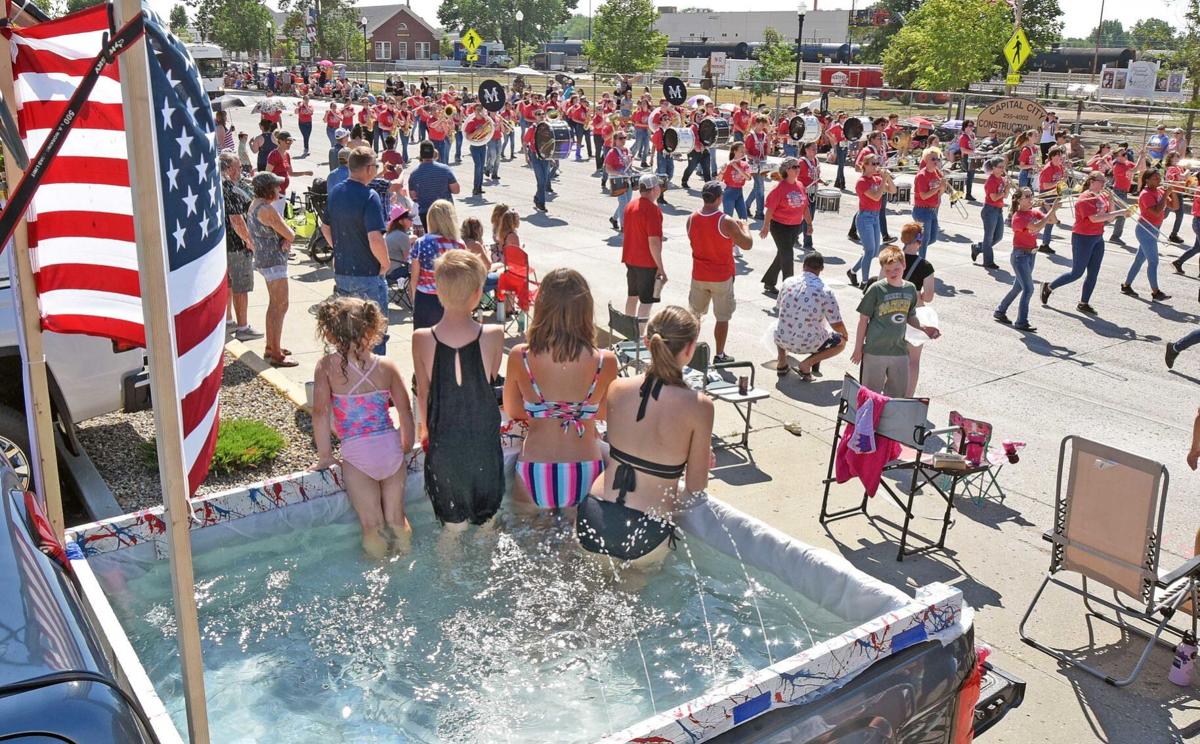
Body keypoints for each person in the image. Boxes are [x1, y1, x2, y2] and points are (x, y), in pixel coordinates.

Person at [576, 306, 714, 565]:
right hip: (646, 526)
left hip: (594, 511)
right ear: (690, 348)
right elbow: (696, 486)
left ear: (647, 342)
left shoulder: (618, 387)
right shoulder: (699, 406)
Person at [503, 269, 618, 511]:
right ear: (586, 310)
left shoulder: (520, 356)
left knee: (527, 545)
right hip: (584, 466)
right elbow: (605, 413)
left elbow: (513, 410)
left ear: (541, 307)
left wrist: (545, 414)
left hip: (535, 465)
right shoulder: (605, 361)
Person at [310, 298, 415, 558]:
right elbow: (404, 409)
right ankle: (405, 560)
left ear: (330, 332)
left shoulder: (326, 367)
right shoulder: (386, 365)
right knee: (396, 518)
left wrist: (325, 456)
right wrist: (405, 444)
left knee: (372, 524)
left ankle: (379, 569)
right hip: (390, 448)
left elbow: (320, 413)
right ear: (372, 329)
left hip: (357, 453)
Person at [411, 250, 506, 529]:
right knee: (487, 525)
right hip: (483, 445)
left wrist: (423, 430)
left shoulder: (421, 339)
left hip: (445, 444)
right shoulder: (493, 335)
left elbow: (423, 393)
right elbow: (490, 377)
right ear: (478, 293)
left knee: (451, 531)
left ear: (438, 292)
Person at [320, 147, 391, 354]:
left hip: (343, 272)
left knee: (348, 333)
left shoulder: (335, 192)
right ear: (369, 169)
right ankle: (373, 381)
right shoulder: (370, 196)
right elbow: (375, 238)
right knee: (374, 333)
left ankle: (351, 375)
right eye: (376, 166)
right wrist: (385, 263)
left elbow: (325, 227)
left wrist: (339, 246)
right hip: (368, 274)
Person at [851, 245, 939, 397]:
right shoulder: (876, 289)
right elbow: (863, 320)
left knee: (896, 397)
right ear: (883, 270)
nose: (892, 273)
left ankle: (888, 421)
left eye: (896, 269)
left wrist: (925, 328)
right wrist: (858, 348)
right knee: (870, 397)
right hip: (875, 351)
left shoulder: (910, 289)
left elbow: (910, 316)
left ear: (904, 265)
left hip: (900, 352)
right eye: (888, 270)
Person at [687, 181, 753, 363]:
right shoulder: (726, 221)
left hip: (699, 274)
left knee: (695, 316)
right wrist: (745, 228)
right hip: (721, 276)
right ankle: (720, 354)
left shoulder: (692, 218)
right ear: (719, 198)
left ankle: (690, 352)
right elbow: (747, 244)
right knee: (722, 318)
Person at [1041, 170, 1121, 316]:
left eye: (1105, 181)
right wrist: (1120, 213)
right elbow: (1094, 218)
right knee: (1076, 273)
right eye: (1101, 181)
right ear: (1092, 181)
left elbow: (1109, 219)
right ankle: (1049, 287)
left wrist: (1111, 201)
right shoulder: (1085, 197)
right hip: (1083, 237)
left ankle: (1084, 303)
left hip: (1097, 237)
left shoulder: (1101, 196)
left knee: (1093, 273)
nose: (1105, 184)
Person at [246, 172, 297, 367]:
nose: (279, 189)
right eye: (276, 186)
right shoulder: (267, 209)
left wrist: (284, 237)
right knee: (280, 305)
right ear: (268, 188)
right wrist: (286, 237)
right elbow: (290, 234)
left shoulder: (255, 205)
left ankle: (272, 345)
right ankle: (276, 354)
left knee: (274, 305)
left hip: (265, 259)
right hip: (274, 262)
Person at [774, 251, 848, 381]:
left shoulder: (788, 282)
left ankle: (781, 362)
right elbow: (836, 323)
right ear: (822, 269)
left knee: (783, 322)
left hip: (782, 338)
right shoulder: (825, 291)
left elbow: (779, 306)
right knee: (841, 343)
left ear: (803, 265)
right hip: (808, 343)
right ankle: (806, 364)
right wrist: (845, 334)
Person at [995, 187, 1058, 333]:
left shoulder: (1033, 212)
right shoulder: (1018, 217)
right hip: (1020, 256)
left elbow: (1052, 221)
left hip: (1031, 255)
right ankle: (1021, 321)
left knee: (1018, 287)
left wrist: (1050, 207)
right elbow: (1036, 226)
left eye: (1031, 195)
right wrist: (1051, 210)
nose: (1031, 198)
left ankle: (1000, 311)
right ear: (1018, 200)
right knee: (1028, 289)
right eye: (1027, 196)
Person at [219, 153, 261, 342]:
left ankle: (228, 320)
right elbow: (236, 220)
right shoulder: (230, 189)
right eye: (237, 167)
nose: (240, 171)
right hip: (236, 247)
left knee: (228, 285)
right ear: (228, 169)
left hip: (222, 245)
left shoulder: (215, 187)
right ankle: (243, 326)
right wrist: (250, 241)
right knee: (240, 288)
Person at [407, 199, 465, 329]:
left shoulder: (421, 243)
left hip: (425, 298)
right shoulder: (459, 245)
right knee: (449, 344)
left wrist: (414, 299)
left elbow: (414, 276)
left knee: (423, 343)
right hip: (451, 299)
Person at [1122, 169, 1175, 301]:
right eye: (1155, 178)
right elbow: (1156, 212)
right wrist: (1166, 194)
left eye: (1159, 177)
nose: (1159, 179)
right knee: (1153, 261)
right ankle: (1155, 292)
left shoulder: (1159, 191)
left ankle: (1126, 285)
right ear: (1147, 180)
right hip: (1145, 229)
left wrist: (1172, 193)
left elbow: (1175, 206)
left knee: (1139, 260)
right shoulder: (1145, 194)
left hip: (1154, 228)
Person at [759, 158, 809, 296]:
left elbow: (805, 207)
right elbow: (769, 209)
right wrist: (765, 227)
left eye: (798, 166)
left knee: (782, 254)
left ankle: (769, 281)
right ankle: (790, 291)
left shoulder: (800, 185)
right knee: (787, 255)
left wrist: (809, 224)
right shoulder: (779, 188)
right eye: (794, 167)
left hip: (795, 226)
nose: (798, 169)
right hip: (779, 227)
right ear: (787, 170)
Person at [621, 174, 666, 321]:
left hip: (630, 258)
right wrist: (660, 267)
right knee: (647, 301)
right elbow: (654, 241)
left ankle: (628, 333)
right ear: (653, 189)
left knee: (632, 296)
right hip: (646, 262)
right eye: (658, 186)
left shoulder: (630, 206)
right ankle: (639, 338)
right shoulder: (652, 210)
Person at [849, 153, 896, 287]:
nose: (877, 166)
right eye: (874, 164)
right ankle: (864, 281)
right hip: (865, 217)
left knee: (874, 252)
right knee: (869, 250)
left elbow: (892, 190)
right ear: (865, 165)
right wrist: (882, 180)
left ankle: (852, 271)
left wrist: (887, 178)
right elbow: (875, 197)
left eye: (877, 163)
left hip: (875, 216)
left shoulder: (876, 178)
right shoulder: (862, 182)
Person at [406, 140, 459, 226]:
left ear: (421, 154)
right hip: (445, 211)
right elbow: (456, 190)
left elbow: (413, 196)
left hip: (426, 214)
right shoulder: (445, 169)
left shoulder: (414, 174)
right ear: (433, 153)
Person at [972, 157, 1008, 269]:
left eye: (1003, 167)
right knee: (988, 238)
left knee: (998, 236)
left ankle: (978, 248)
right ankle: (988, 262)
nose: (1002, 169)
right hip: (990, 210)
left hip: (998, 210)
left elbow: (1005, 196)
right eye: (1000, 167)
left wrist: (1007, 187)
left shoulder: (1001, 179)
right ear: (993, 168)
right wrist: (1003, 191)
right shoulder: (991, 181)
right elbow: (994, 197)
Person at [910, 147, 944, 259]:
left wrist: (942, 187)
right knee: (924, 241)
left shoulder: (937, 173)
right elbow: (924, 196)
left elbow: (939, 192)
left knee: (933, 238)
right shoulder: (921, 175)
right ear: (926, 160)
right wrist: (938, 187)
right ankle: (920, 264)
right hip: (921, 210)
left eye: (937, 159)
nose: (936, 161)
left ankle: (911, 250)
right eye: (933, 159)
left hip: (932, 210)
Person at [1036, 146, 1066, 254]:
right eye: (1057, 155)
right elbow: (1044, 185)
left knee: (1049, 221)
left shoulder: (1060, 167)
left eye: (1060, 155)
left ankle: (1045, 244)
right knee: (1044, 220)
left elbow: (1060, 181)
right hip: (1046, 196)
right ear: (1052, 157)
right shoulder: (1048, 168)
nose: (1060, 157)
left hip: (1054, 196)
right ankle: (1029, 237)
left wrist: (1062, 191)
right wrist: (1057, 183)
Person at [1109, 146, 1142, 245]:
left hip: (1124, 192)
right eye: (1123, 154)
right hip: (1118, 191)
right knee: (1122, 214)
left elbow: (1141, 168)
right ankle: (1115, 236)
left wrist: (1143, 157)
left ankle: (1112, 234)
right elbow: (1134, 170)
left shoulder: (1127, 163)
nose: (1125, 155)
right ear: (1117, 157)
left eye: (1125, 153)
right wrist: (1140, 157)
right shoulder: (1118, 166)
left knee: (1117, 214)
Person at [523, 108, 552, 213]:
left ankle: (537, 197)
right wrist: (526, 156)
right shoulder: (532, 128)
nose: (542, 116)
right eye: (539, 114)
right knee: (541, 180)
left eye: (543, 114)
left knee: (544, 180)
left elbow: (551, 143)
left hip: (545, 155)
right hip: (535, 155)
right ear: (535, 116)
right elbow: (525, 142)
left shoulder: (548, 128)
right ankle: (542, 204)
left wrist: (552, 157)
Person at [605, 130, 634, 231]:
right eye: (620, 138)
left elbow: (629, 165)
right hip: (618, 181)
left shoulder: (627, 150)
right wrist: (618, 173)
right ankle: (623, 225)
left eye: (625, 138)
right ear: (615, 140)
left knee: (626, 202)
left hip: (628, 179)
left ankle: (614, 219)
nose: (623, 140)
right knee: (623, 202)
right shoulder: (612, 152)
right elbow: (607, 168)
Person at [719, 141, 751, 220]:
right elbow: (719, 180)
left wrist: (737, 167)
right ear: (735, 151)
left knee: (744, 219)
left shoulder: (745, 164)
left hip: (739, 192)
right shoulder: (728, 165)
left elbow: (748, 178)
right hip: (728, 193)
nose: (743, 153)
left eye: (744, 151)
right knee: (728, 219)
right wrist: (722, 171)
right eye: (741, 151)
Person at [385, 204, 413, 284]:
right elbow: (408, 259)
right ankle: (413, 293)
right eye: (409, 218)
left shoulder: (390, 233)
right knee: (417, 267)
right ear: (400, 221)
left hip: (386, 272)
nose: (412, 220)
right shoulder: (402, 236)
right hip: (394, 273)